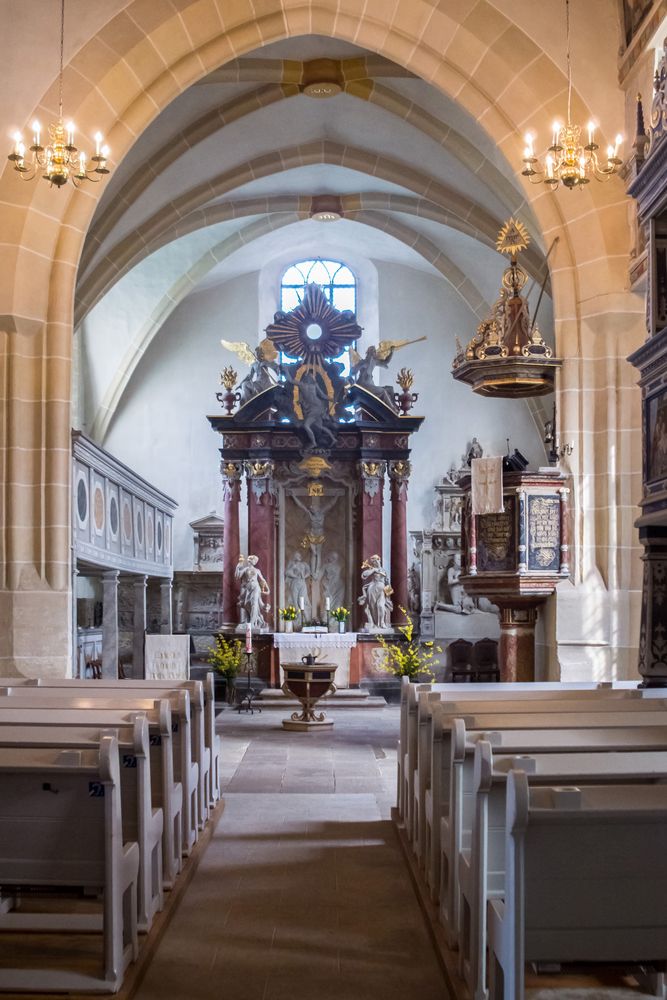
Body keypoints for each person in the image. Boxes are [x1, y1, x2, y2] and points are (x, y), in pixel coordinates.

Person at [358, 554, 393, 630]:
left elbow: (387, 582)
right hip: (372, 589)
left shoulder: (383, 570)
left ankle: (382, 623)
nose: (376, 562)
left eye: (377, 560)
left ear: (379, 560)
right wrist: (373, 570)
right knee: (372, 607)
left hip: (382, 590)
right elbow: (363, 575)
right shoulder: (372, 569)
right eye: (374, 561)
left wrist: (389, 595)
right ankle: (374, 624)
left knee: (381, 606)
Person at [284, 550, 311, 616]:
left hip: (302, 583)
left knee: (302, 599)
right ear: (294, 557)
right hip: (295, 583)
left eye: (299, 555)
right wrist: (295, 575)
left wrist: (304, 576)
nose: (298, 557)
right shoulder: (293, 564)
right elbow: (287, 572)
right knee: (295, 601)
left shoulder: (304, 564)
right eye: (297, 555)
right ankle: (297, 617)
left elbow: (309, 572)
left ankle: (304, 617)